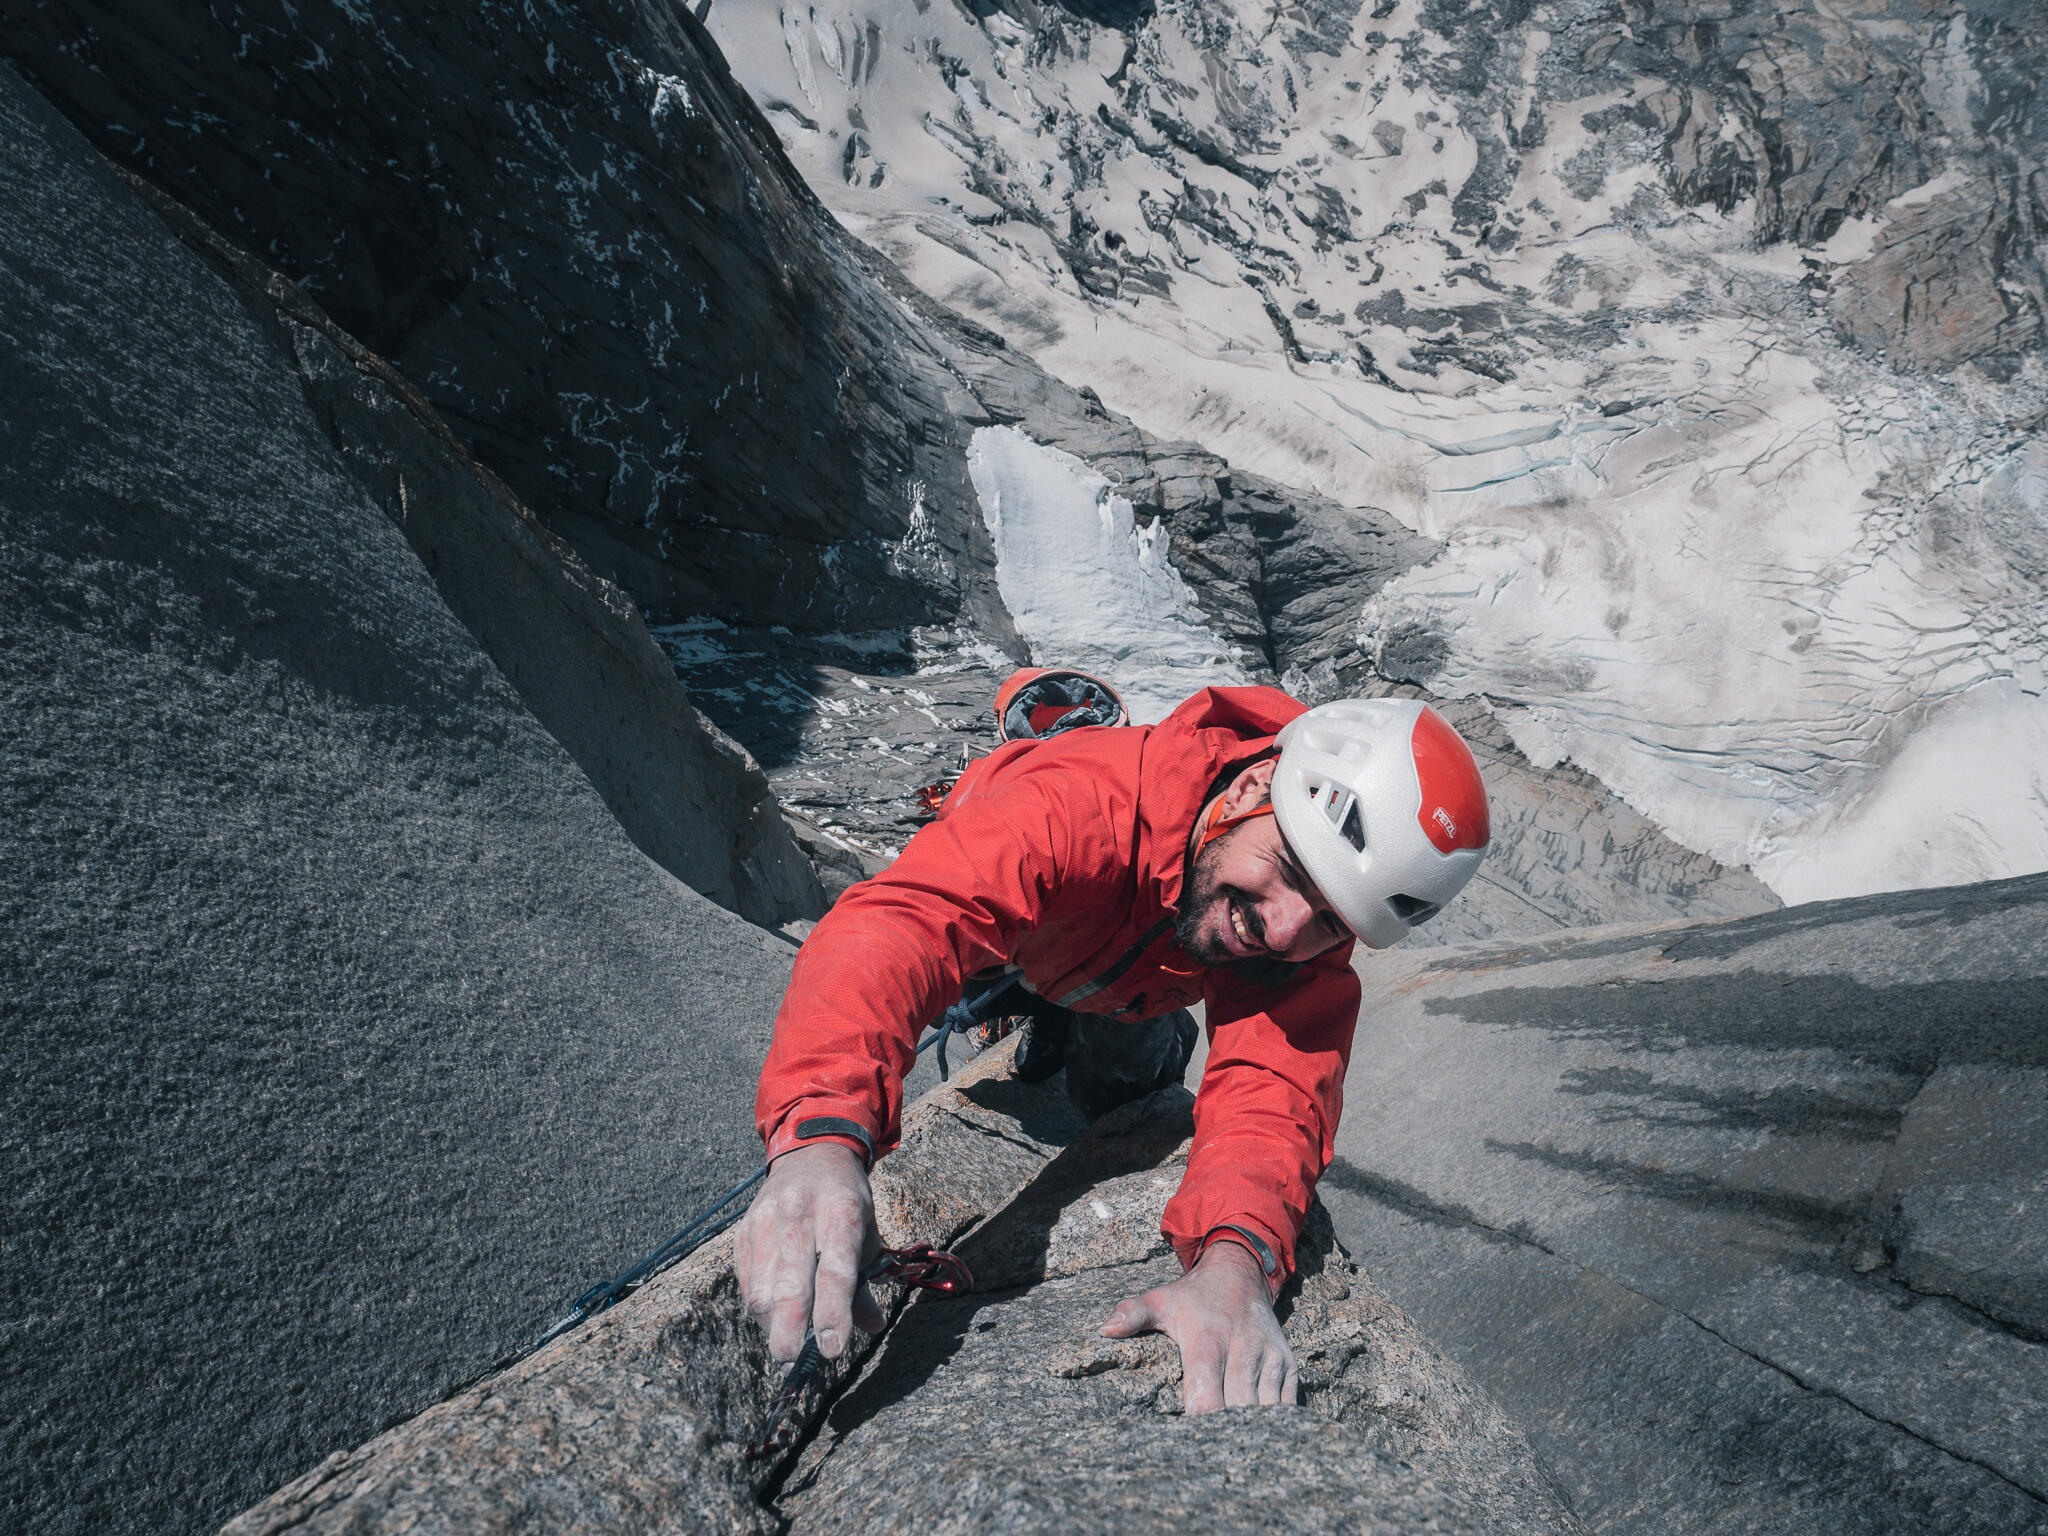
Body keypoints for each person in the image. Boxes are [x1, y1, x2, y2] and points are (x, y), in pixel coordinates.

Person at [735, 682, 1490, 1413]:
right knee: (958, 993)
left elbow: (1277, 1086)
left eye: (1329, 921)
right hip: (1018, 935)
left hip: (1126, 978)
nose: (1286, 928)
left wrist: (1235, 1262)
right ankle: (1031, 1005)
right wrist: (822, 1138)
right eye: (1289, 872)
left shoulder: (1287, 905)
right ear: (1249, 788)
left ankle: (1066, 1018)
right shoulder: (1081, 805)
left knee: (1120, 1089)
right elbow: (905, 927)